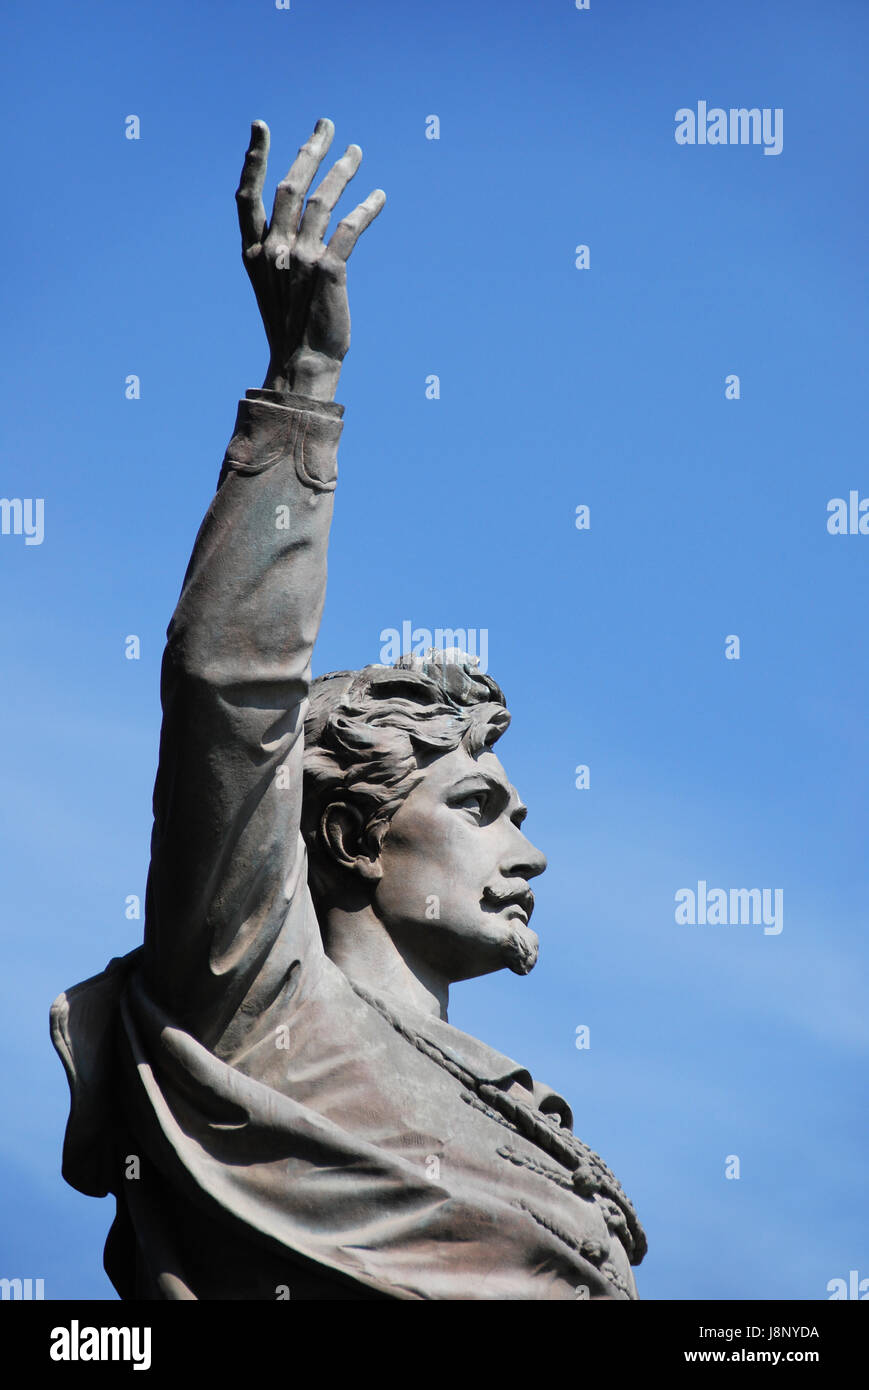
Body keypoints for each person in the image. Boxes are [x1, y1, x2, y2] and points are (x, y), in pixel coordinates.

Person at [51, 118, 646, 1300]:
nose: (527, 852)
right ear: (346, 835)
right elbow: (228, 693)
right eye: (478, 806)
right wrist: (302, 388)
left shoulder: (537, 1128)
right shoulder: (257, 1011)